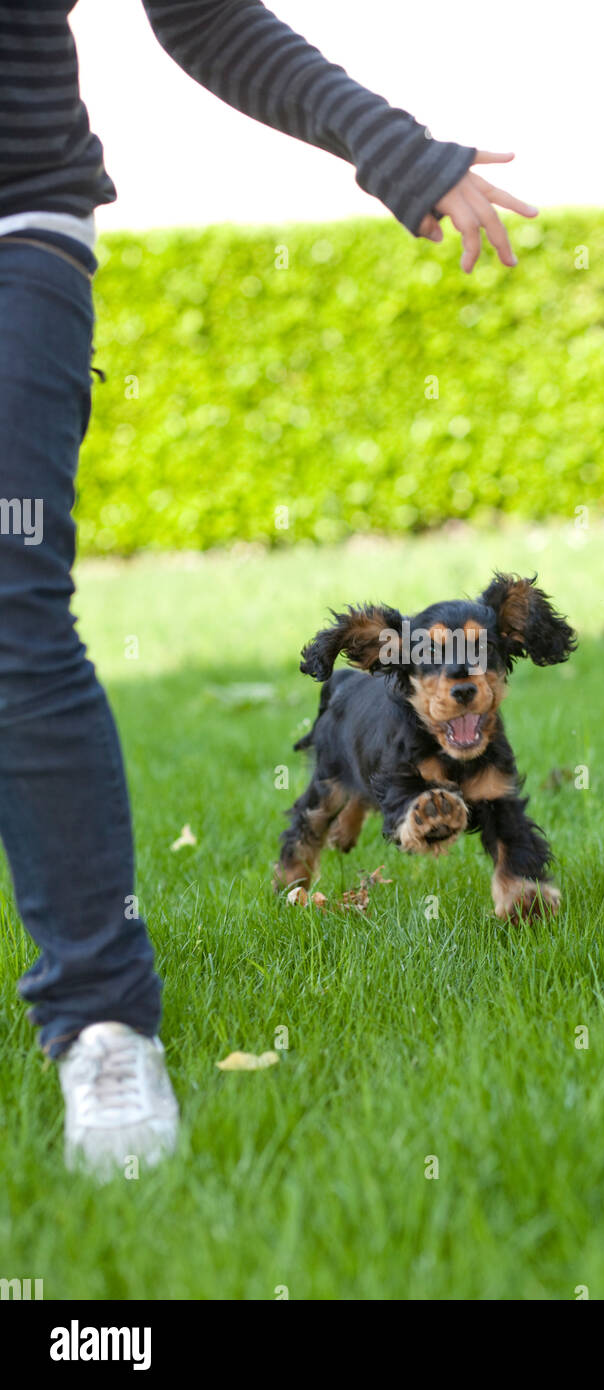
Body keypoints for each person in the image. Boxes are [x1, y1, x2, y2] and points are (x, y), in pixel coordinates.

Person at [0, 2, 537, 1179]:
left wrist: (388, 144)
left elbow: (200, 12)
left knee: (10, 600)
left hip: (14, 223)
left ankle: (101, 1023)